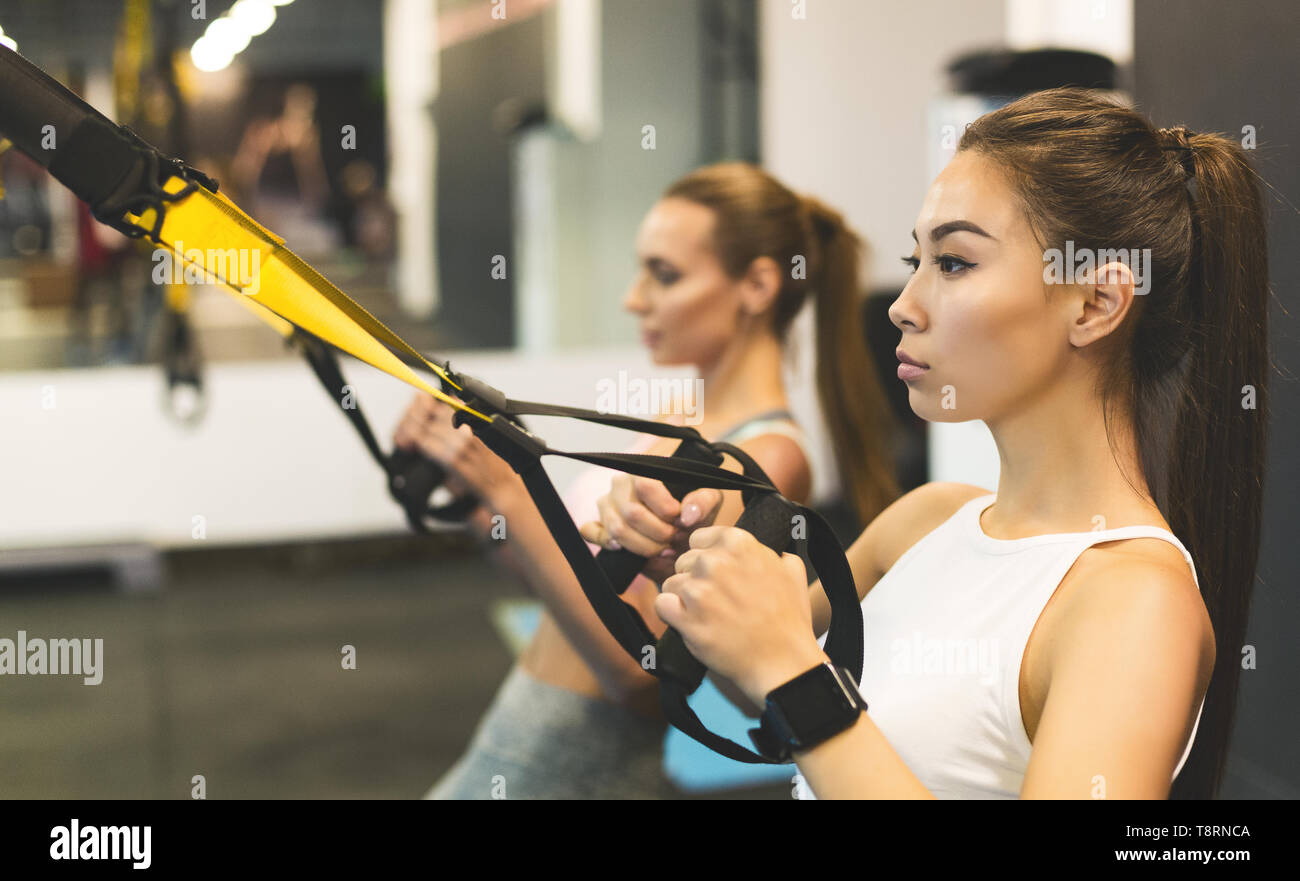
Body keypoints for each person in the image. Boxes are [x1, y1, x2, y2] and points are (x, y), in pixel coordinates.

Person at [594, 88, 1268, 799]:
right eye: (915, 260)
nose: (901, 305)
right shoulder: (924, 521)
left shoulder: (1133, 603)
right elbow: (768, 699)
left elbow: (799, 688)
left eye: (953, 263)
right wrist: (692, 568)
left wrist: (792, 669)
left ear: (1095, 303)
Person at [394, 162, 900, 799]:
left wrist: (510, 494)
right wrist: (473, 490)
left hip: (581, 759)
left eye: (665, 275)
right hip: (524, 720)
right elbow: (568, 581)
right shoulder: (677, 420)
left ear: (758, 285)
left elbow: (641, 671)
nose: (635, 298)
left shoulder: (765, 453)